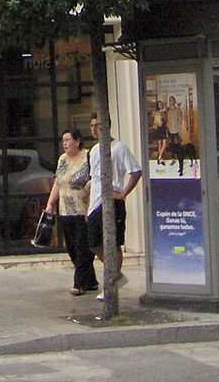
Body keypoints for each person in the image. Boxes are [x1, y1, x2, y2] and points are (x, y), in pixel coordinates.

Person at [86, 114, 142, 301]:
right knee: (94, 242)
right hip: (95, 201)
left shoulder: (119, 148)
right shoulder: (93, 151)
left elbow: (136, 171)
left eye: (98, 125)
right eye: (92, 126)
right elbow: (94, 177)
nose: (94, 129)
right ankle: (116, 274)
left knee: (113, 242)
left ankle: (111, 281)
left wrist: (123, 192)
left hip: (112, 200)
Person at [45, 128, 97, 295]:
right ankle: (90, 280)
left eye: (68, 140)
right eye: (63, 140)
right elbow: (58, 182)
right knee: (72, 248)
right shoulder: (62, 159)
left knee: (82, 248)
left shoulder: (88, 157)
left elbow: (95, 180)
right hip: (65, 210)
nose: (64, 143)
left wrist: (91, 206)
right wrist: (50, 204)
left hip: (83, 209)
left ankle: (79, 283)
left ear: (77, 141)